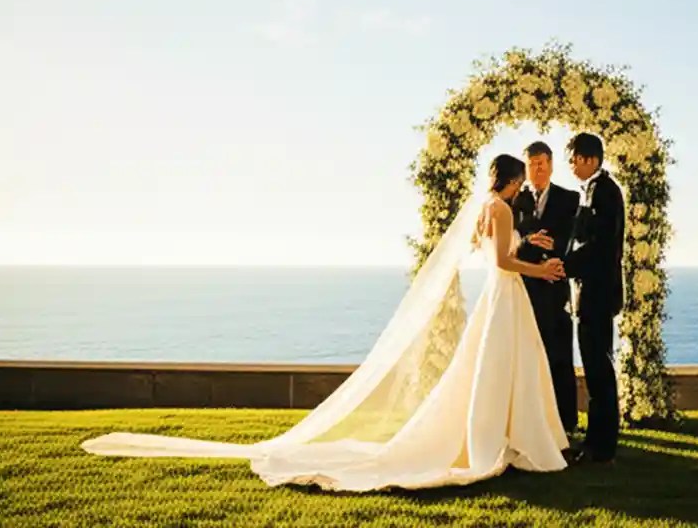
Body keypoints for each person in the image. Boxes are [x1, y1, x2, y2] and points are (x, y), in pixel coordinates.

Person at [81, 155, 571, 492]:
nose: (523, 185)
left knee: (496, 369)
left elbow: (494, 251)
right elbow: (505, 264)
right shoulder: (502, 207)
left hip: (500, 298)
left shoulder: (488, 209)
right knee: (507, 368)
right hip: (506, 294)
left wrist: (529, 243)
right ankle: (509, 439)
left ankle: (501, 436)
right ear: (509, 181)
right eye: (520, 179)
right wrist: (541, 267)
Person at [563, 133, 625, 465]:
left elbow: (601, 246)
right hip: (588, 293)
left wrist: (564, 265)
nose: (570, 165)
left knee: (599, 369)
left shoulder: (606, 192)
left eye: (572, 159)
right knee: (594, 368)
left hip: (597, 294)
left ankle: (602, 448)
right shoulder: (593, 190)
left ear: (589, 159)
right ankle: (595, 442)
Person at [512, 141, 580, 435]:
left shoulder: (569, 198)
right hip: (524, 289)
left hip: (554, 288)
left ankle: (566, 423)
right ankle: (530, 421)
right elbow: (510, 245)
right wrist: (530, 246)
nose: (536, 169)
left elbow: (563, 241)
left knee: (559, 356)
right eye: (531, 164)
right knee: (526, 357)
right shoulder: (515, 199)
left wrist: (549, 253)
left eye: (541, 163)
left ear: (551, 164)